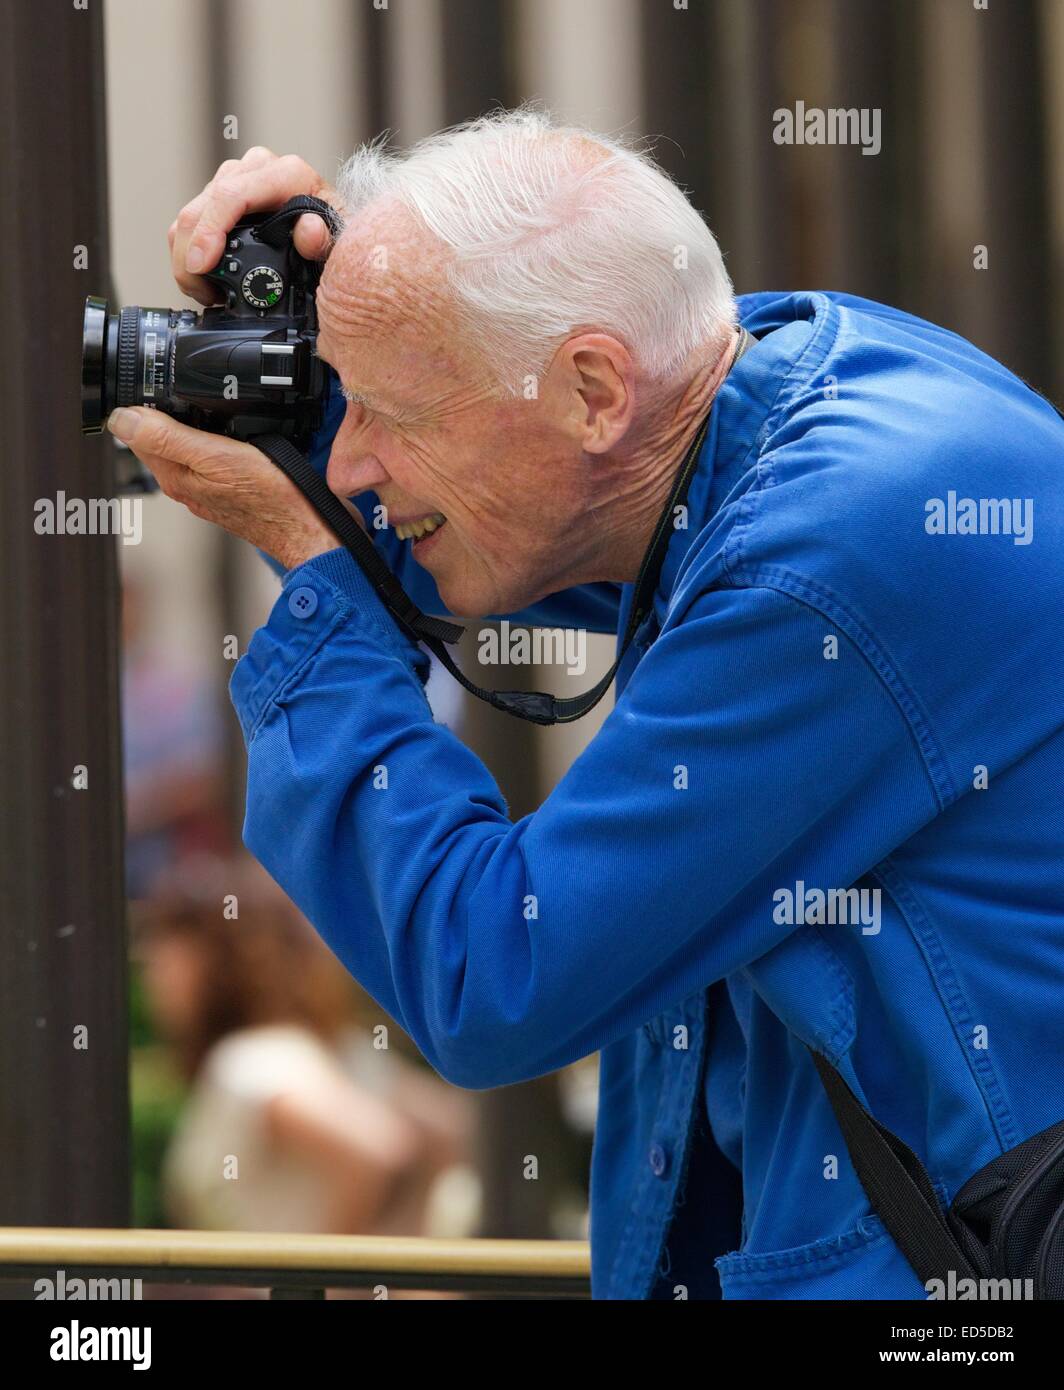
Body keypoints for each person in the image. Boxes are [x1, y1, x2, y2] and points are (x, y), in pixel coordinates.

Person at [109, 110, 1064, 1300]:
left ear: (593, 389)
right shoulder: (754, 405)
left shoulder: (829, 559)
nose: (351, 464)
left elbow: (492, 970)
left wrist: (310, 569)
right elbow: (480, 539)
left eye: (388, 414)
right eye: (342, 408)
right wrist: (321, 343)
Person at [136, 859, 476, 1271]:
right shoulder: (329, 1051)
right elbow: (451, 1128)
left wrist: (326, 1281)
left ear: (212, 957)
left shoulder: (252, 1062)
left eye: (164, 954)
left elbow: (377, 1149)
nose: (153, 975)